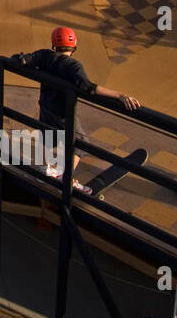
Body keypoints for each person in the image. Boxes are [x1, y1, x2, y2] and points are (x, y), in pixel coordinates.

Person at [10, 27, 140, 194]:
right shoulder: (73, 66)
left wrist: (19, 59)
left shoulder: (44, 55)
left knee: (47, 135)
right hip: (64, 114)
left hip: (46, 107)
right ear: (74, 46)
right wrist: (119, 95)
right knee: (81, 142)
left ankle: (45, 168)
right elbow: (88, 87)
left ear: (53, 43)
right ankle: (66, 178)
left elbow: (22, 59)